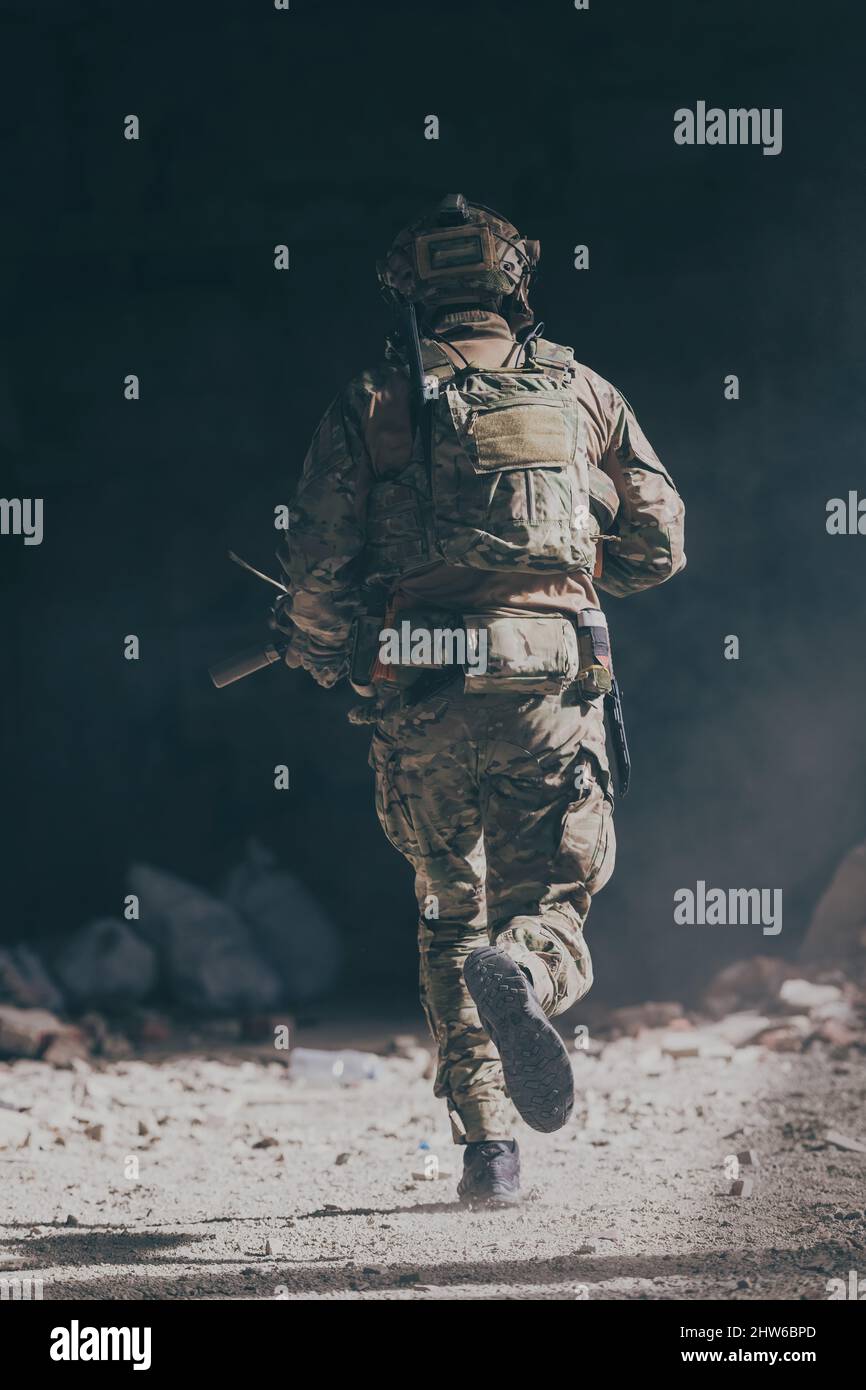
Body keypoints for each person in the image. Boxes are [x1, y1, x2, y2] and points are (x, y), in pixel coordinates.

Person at [275, 194, 685, 1205]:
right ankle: (531, 973)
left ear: (411, 293)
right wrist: (574, 573)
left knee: (444, 911)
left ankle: (488, 1154)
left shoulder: (370, 400)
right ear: (515, 285)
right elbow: (661, 544)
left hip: (417, 675)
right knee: (546, 897)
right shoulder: (581, 391)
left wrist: (318, 648)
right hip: (546, 677)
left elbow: (317, 574)